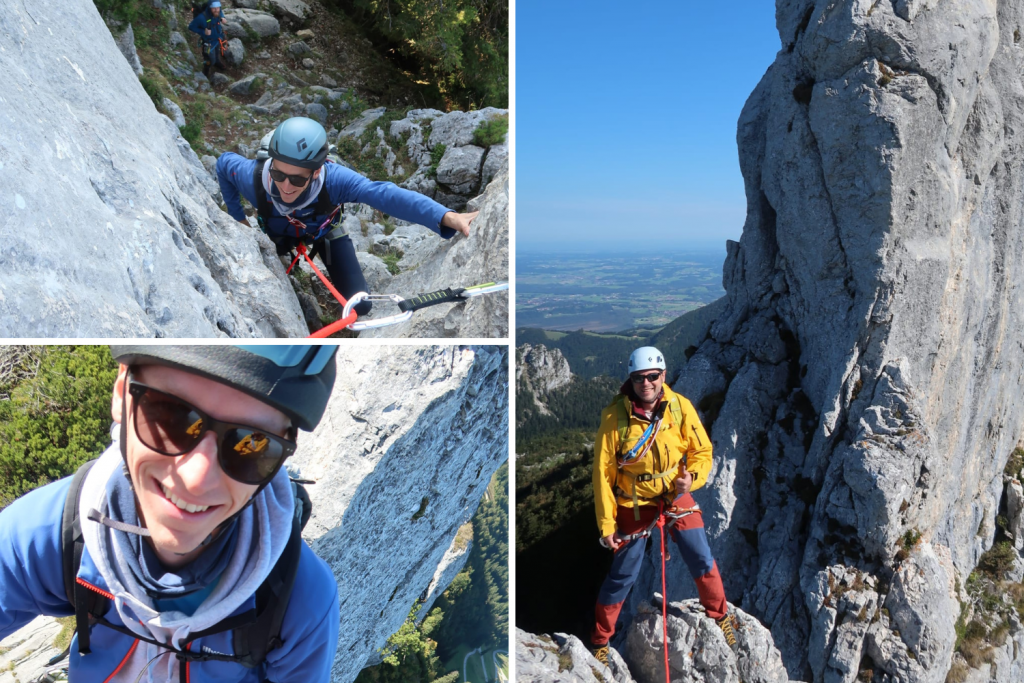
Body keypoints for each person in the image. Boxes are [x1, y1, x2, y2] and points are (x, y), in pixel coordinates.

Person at [0, 345, 341, 682]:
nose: (196, 480)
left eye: (252, 445)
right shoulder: (48, 535)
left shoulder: (299, 602)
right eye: (172, 416)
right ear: (122, 394)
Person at [215, 117, 478, 316]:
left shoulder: (335, 181)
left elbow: (384, 194)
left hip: (323, 233)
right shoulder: (254, 179)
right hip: (276, 234)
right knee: (281, 261)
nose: (285, 186)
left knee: (360, 306)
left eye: (296, 178)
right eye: (279, 174)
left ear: (317, 171)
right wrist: (238, 219)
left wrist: (446, 216)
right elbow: (224, 163)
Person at [590, 346, 736, 664]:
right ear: (631, 380)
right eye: (640, 378)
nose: (647, 383)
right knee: (623, 575)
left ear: (663, 376)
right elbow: (602, 475)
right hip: (635, 502)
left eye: (653, 376)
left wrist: (692, 478)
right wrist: (607, 525)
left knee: (700, 556)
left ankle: (721, 616)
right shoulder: (614, 419)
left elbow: (702, 451)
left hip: (674, 494)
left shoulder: (679, 408)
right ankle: (601, 642)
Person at [188, 0, 224, 79]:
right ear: (209, 8)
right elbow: (191, 27)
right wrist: (203, 31)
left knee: (217, 52)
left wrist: (222, 17)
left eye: (218, 8)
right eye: (214, 8)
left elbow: (220, 12)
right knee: (210, 59)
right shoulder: (201, 18)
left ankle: (217, 62)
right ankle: (206, 69)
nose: (216, 10)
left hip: (217, 39)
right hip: (208, 42)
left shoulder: (217, 12)